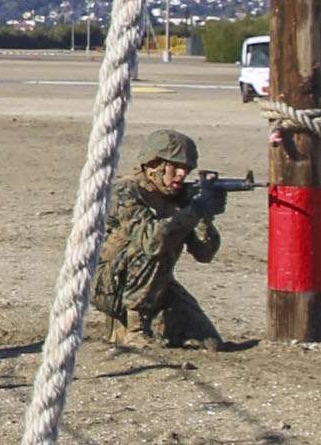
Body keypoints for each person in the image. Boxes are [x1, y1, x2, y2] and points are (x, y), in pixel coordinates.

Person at [94, 127, 224, 347]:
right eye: (176, 167)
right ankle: (134, 329)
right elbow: (151, 241)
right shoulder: (125, 191)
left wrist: (204, 217)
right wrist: (192, 212)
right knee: (151, 245)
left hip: (157, 284)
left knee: (210, 343)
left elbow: (204, 254)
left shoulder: (175, 198)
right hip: (112, 285)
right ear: (154, 164)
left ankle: (151, 325)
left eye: (186, 169)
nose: (182, 174)